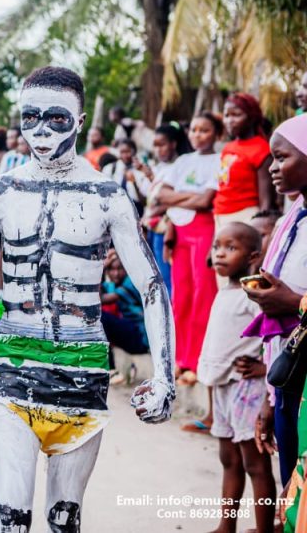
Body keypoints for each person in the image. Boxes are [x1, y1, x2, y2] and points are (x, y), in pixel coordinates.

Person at [0, 67, 175, 532]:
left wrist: (165, 376)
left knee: (64, 520)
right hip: (12, 365)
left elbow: (152, 286)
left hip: (82, 370)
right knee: (10, 517)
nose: (41, 130)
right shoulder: (0, 193)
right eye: (30, 118)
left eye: (57, 119)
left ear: (81, 121)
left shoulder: (108, 196)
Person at [241, 114, 307, 496]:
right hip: (289, 373)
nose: (272, 168)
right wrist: (271, 398)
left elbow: (292, 300)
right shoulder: (290, 219)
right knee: (292, 492)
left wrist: (294, 302)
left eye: (282, 157)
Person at [197, 222, 273, 533]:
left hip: (247, 387)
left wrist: (265, 369)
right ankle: (226, 526)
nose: (220, 254)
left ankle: (264, 527)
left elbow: (277, 335)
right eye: (217, 247)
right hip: (224, 388)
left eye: (231, 248)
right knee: (228, 459)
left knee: (254, 464)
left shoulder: (254, 295)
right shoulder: (225, 292)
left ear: (253, 255)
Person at [155, 113, 223, 381]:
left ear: (216, 133)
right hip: (180, 230)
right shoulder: (184, 161)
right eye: (193, 130)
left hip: (204, 228)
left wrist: (177, 198)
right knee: (180, 295)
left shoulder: (219, 161)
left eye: (204, 130)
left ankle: (197, 362)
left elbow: (207, 201)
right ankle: (180, 359)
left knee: (202, 294)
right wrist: (191, 198)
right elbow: (161, 195)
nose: (197, 135)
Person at [141, 123, 192, 295]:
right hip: (156, 228)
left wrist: (157, 209)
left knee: (170, 279)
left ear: (173, 143)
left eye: (161, 144)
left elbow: (181, 196)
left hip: (170, 229)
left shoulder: (183, 166)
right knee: (161, 277)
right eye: (155, 145)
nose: (158, 150)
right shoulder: (163, 168)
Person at [216, 93, 275, 227]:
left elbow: (266, 199)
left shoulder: (261, 149)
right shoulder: (228, 147)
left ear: (251, 117)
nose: (229, 120)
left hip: (245, 216)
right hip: (220, 214)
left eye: (236, 115)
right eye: (226, 115)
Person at [100, 252, 149, 384]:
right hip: (131, 334)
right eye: (112, 269)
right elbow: (94, 293)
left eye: (119, 268)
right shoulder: (112, 285)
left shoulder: (130, 283)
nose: (115, 273)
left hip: (141, 338)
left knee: (100, 319)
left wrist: (102, 268)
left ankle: (111, 369)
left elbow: (101, 299)